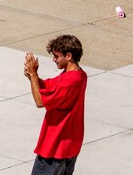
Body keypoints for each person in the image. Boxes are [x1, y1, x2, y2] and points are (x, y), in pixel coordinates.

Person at [24, 35, 88, 175]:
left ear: (68, 56)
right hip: (69, 147)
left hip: (54, 147)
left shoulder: (69, 82)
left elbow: (40, 101)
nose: (54, 59)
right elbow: (48, 86)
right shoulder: (79, 75)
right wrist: (32, 76)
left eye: (56, 56)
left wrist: (34, 76)